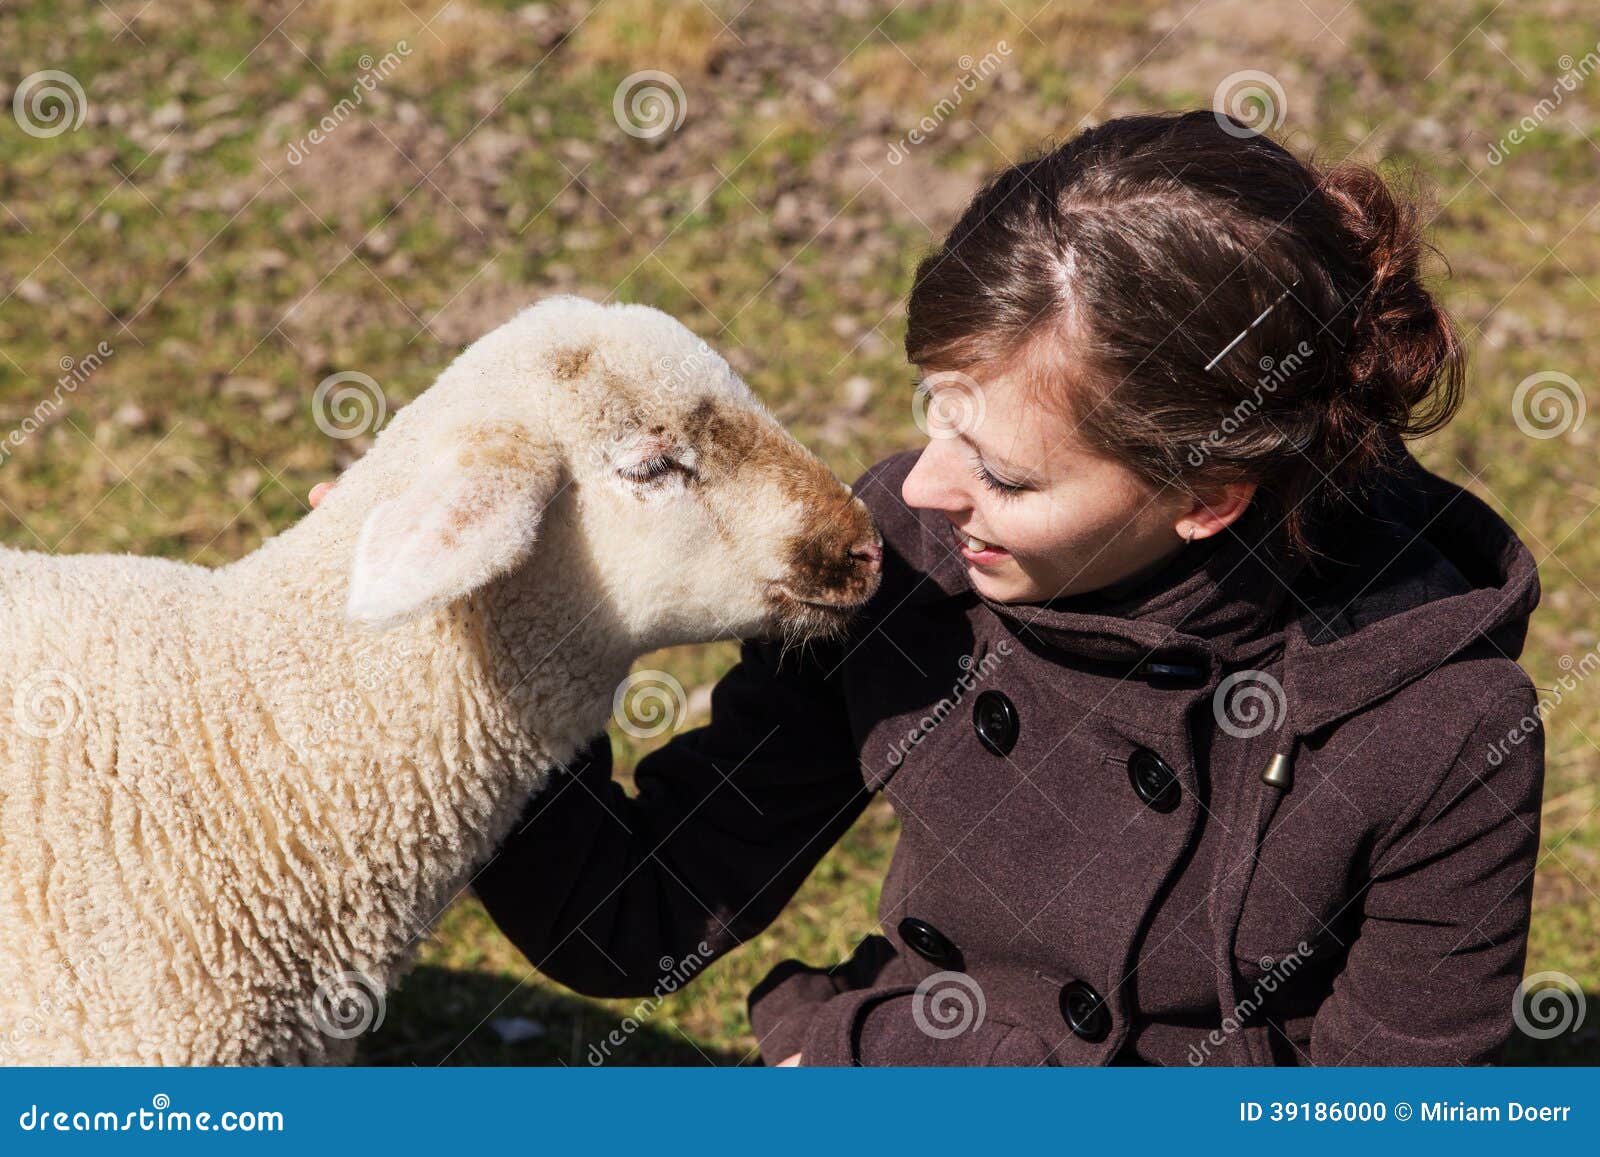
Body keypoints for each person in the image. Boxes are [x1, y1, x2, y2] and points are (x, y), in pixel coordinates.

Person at [312, 110, 1545, 1065]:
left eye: (1005, 474)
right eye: (937, 418)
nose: (932, 487)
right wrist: (486, 645)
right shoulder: (911, 559)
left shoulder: (1438, 729)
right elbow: (636, 906)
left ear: (1204, 495)